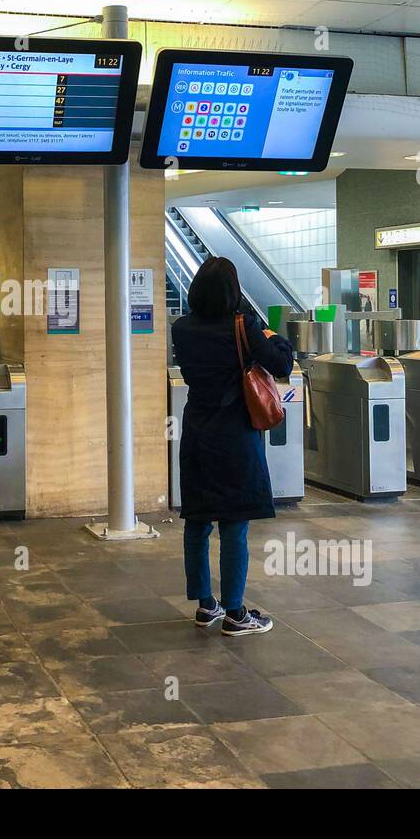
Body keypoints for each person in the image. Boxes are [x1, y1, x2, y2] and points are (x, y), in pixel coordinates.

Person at [171, 256, 294, 637]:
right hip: (235, 432)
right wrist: (273, 336)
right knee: (234, 524)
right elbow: (281, 364)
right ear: (233, 291)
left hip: (196, 429)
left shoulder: (182, 328)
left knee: (197, 519)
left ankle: (206, 605)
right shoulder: (243, 325)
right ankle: (237, 613)